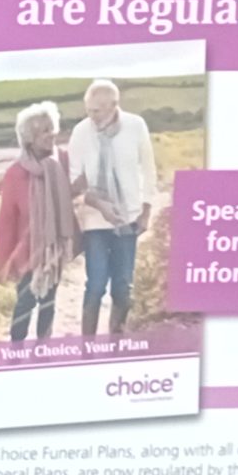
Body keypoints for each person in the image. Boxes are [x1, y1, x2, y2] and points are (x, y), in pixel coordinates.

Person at [66, 77, 158, 336]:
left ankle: (116, 342)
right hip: (95, 219)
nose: (91, 115)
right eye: (88, 109)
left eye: (96, 110)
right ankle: (88, 348)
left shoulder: (135, 126)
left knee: (123, 286)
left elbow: (149, 171)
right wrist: (98, 203)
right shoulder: (81, 132)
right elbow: (75, 184)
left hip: (127, 216)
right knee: (95, 284)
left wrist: (146, 210)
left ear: (112, 105)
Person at [0, 100, 76, 341]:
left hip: (53, 249)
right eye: (44, 131)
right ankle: (16, 351)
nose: (51, 135)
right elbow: (6, 220)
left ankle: (44, 350)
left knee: (49, 302)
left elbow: (71, 196)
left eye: (52, 128)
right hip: (26, 252)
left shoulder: (61, 163)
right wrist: (3, 260)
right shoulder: (15, 174)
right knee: (25, 303)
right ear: (29, 138)